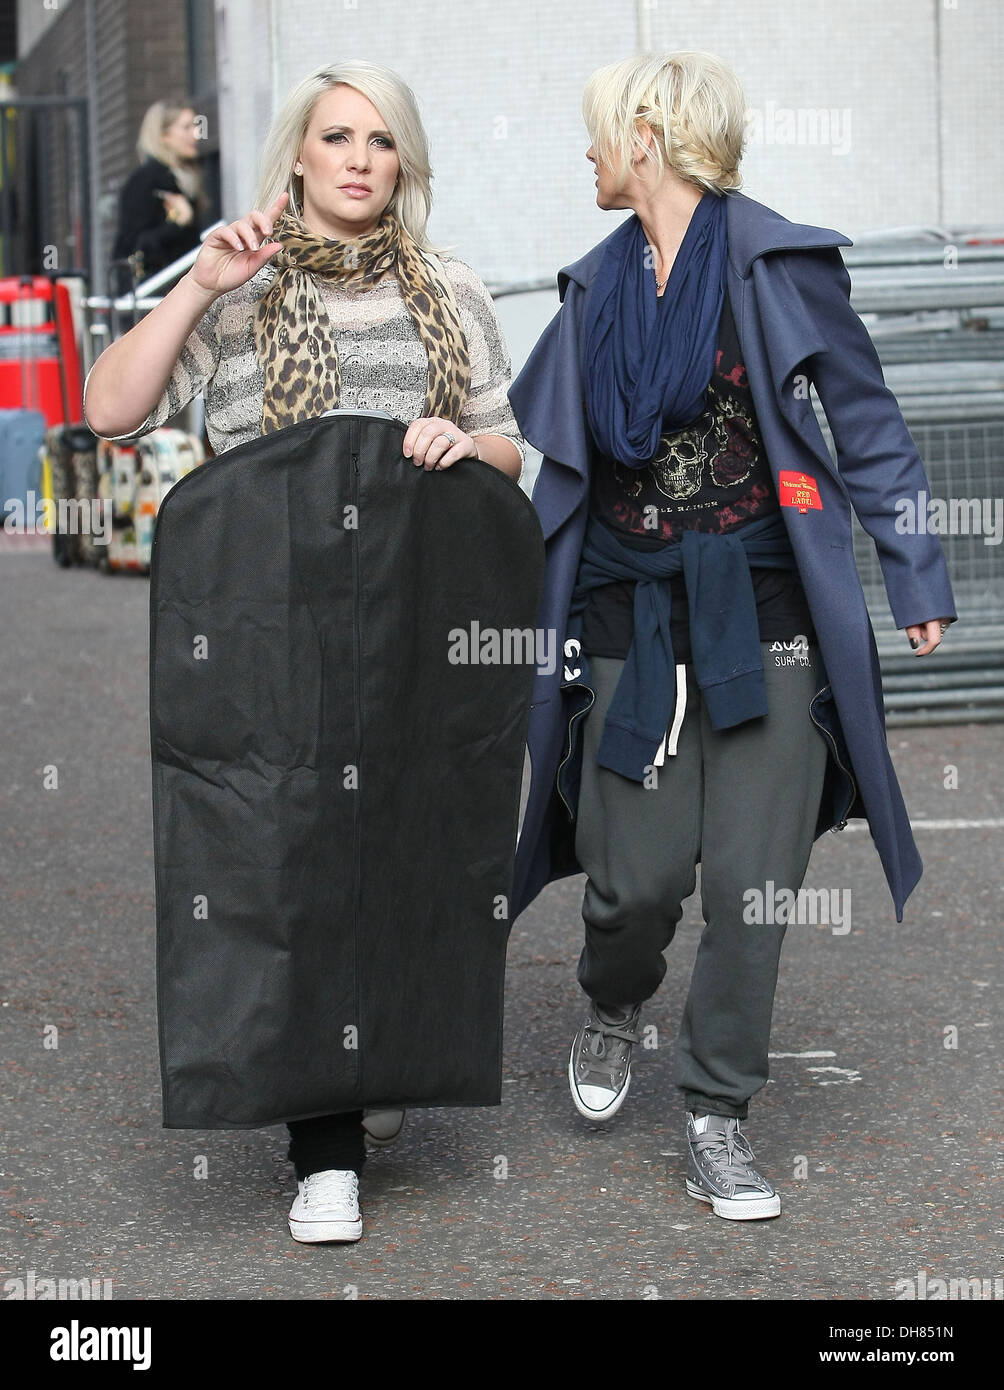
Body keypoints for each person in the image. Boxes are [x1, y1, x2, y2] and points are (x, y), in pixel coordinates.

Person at [508, 51, 955, 1222]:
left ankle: (715, 1112)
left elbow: (864, 419)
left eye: (601, 131)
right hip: (625, 611)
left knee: (755, 884)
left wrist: (914, 569)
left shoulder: (771, 262)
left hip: (762, 611)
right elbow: (546, 451)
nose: (590, 154)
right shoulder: (594, 288)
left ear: (646, 133)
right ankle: (613, 1000)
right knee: (635, 880)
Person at [83, 60, 525, 1244]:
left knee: (407, 845)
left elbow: (509, 455)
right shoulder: (236, 291)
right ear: (298, 155)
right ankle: (321, 1149)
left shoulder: (452, 292)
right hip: (271, 630)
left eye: (380, 140)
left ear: (403, 161)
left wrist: (457, 442)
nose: (358, 158)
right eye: (336, 136)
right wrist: (197, 288)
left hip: (413, 623)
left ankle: (368, 1053)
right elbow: (107, 407)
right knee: (295, 855)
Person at [111, 100, 210, 288]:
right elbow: (139, 244)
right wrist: (179, 222)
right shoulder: (148, 181)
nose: (196, 134)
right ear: (163, 135)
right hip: (151, 293)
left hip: (174, 289)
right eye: (186, 127)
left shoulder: (185, 179)